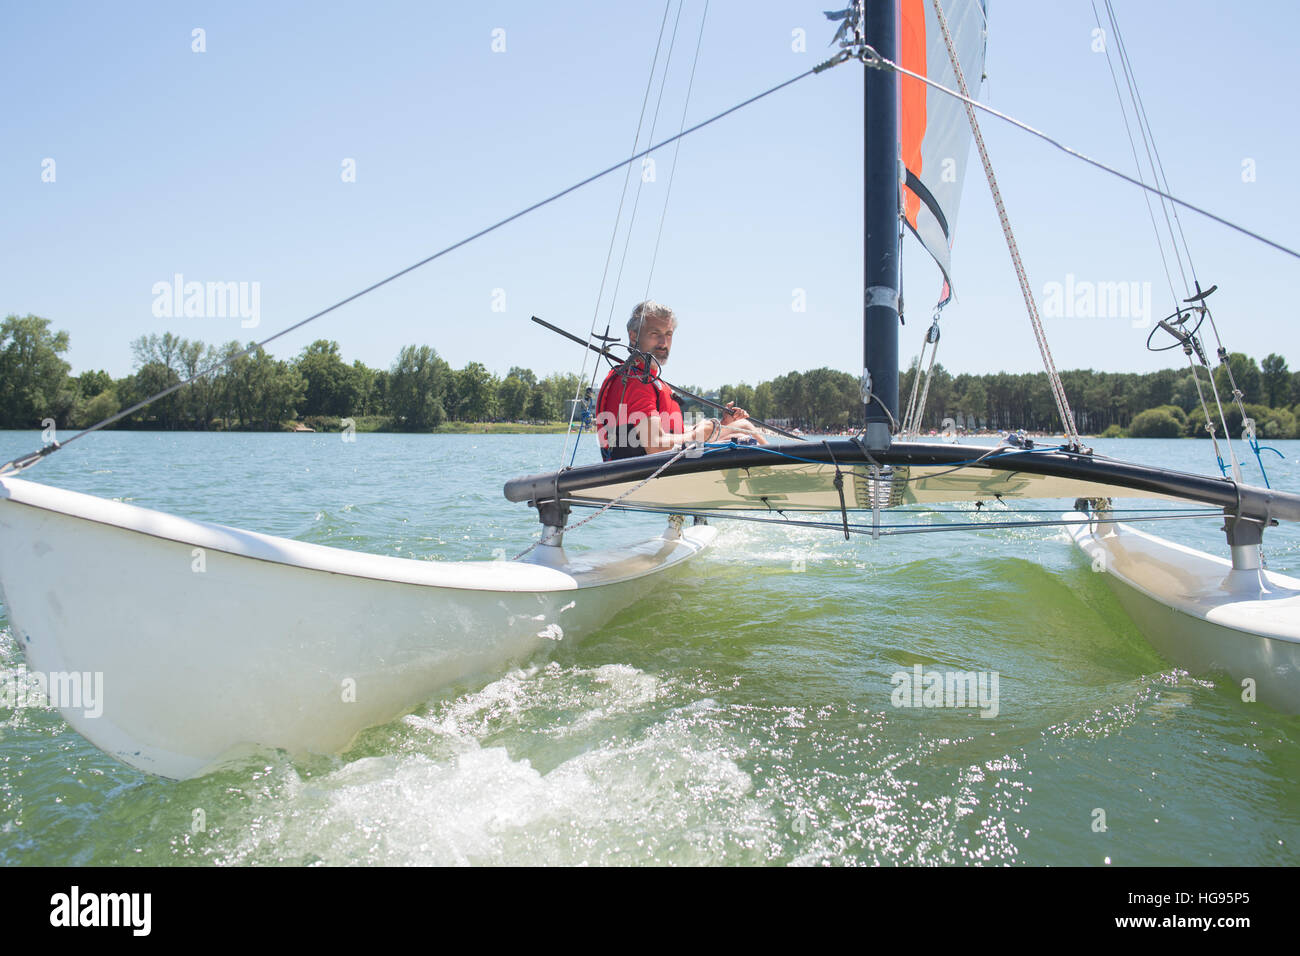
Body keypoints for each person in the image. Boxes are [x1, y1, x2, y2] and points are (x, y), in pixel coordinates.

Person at [594, 300, 769, 460]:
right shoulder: (637, 381)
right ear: (634, 337)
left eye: (668, 334)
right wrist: (699, 434)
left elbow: (673, 433)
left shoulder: (650, 380)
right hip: (645, 476)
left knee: (741, 425)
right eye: (655, 333)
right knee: (742, 432)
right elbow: (656, 446)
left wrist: (720, 425)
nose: (664, 343)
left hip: (665, 466)